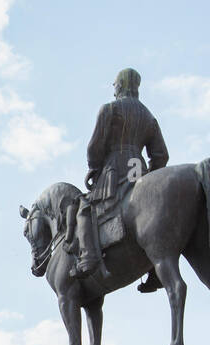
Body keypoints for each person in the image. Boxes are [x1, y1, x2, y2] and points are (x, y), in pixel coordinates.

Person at [72, 67, 169, 292]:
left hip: (114, 172)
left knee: (83, 208)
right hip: (140, 172)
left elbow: (94, 147)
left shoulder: (110, 109)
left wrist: (94, 168)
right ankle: (154, 272)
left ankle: (88, 257)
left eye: (115, 84)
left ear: (120, 85)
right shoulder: (148, 116)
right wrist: (151, 177)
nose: (114, 88)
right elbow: (161, 155)